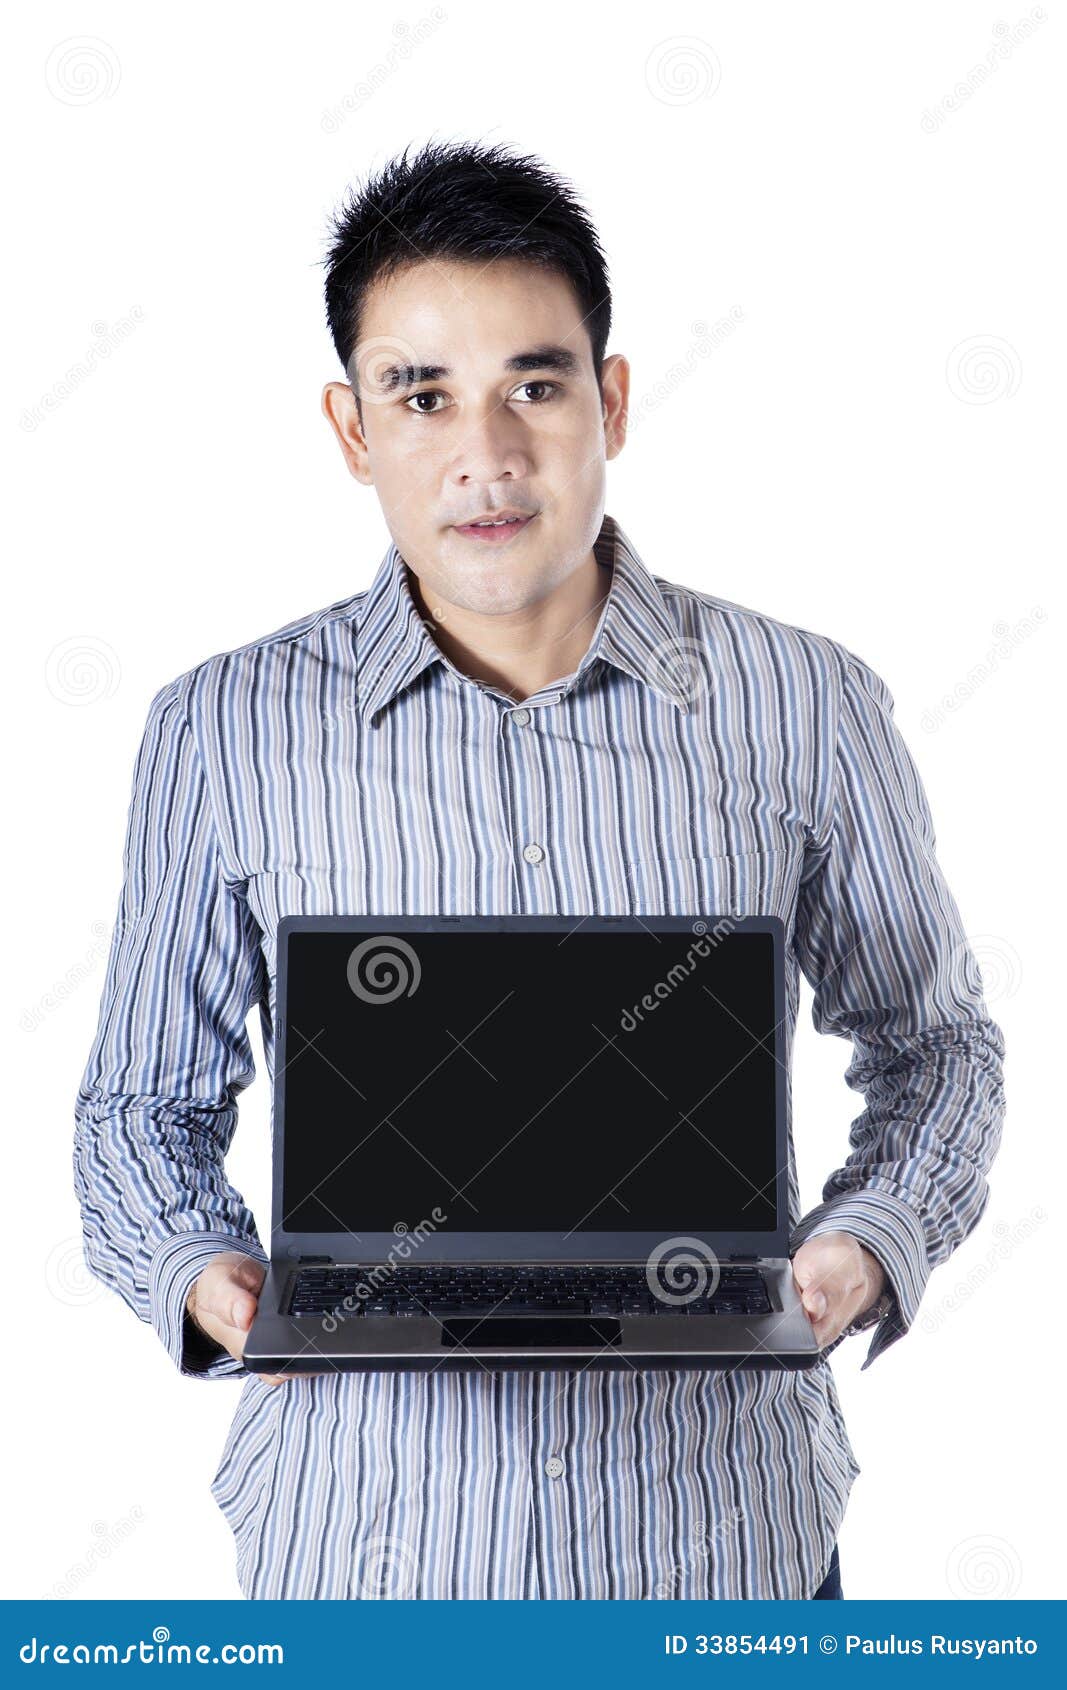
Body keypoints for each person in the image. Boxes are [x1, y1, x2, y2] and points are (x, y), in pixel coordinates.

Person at [73, 139, 1005, 1601]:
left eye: (537, 384)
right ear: (350, 424)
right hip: (365, 1546)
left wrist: (868, 1242)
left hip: (721, 1543)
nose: (486, 453)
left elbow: (937, 1045)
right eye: (421, 392)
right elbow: (137, 1109)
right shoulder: (222, 729)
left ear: (612, 400)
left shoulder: (805, 703)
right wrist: (209, 1275)